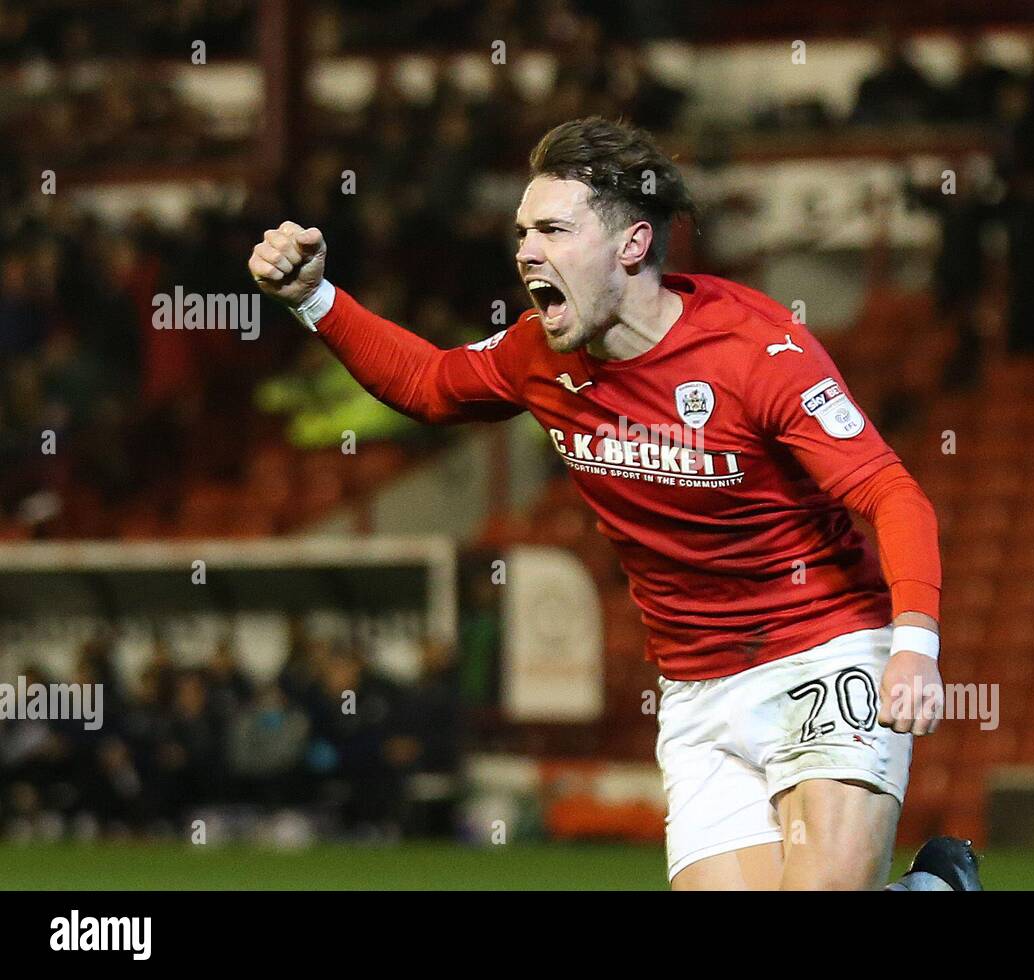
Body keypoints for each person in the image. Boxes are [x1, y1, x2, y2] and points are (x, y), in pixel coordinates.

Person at [248, 116, 979, 891]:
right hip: (696, 688)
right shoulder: (538, 355)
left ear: (631, 244)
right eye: (523, 230)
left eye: (554, 229)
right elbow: (428, 385)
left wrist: (914, 645)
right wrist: (314, 298)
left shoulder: (759, 354)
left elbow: (892, 493)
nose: (527, 250)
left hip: (821, 648)